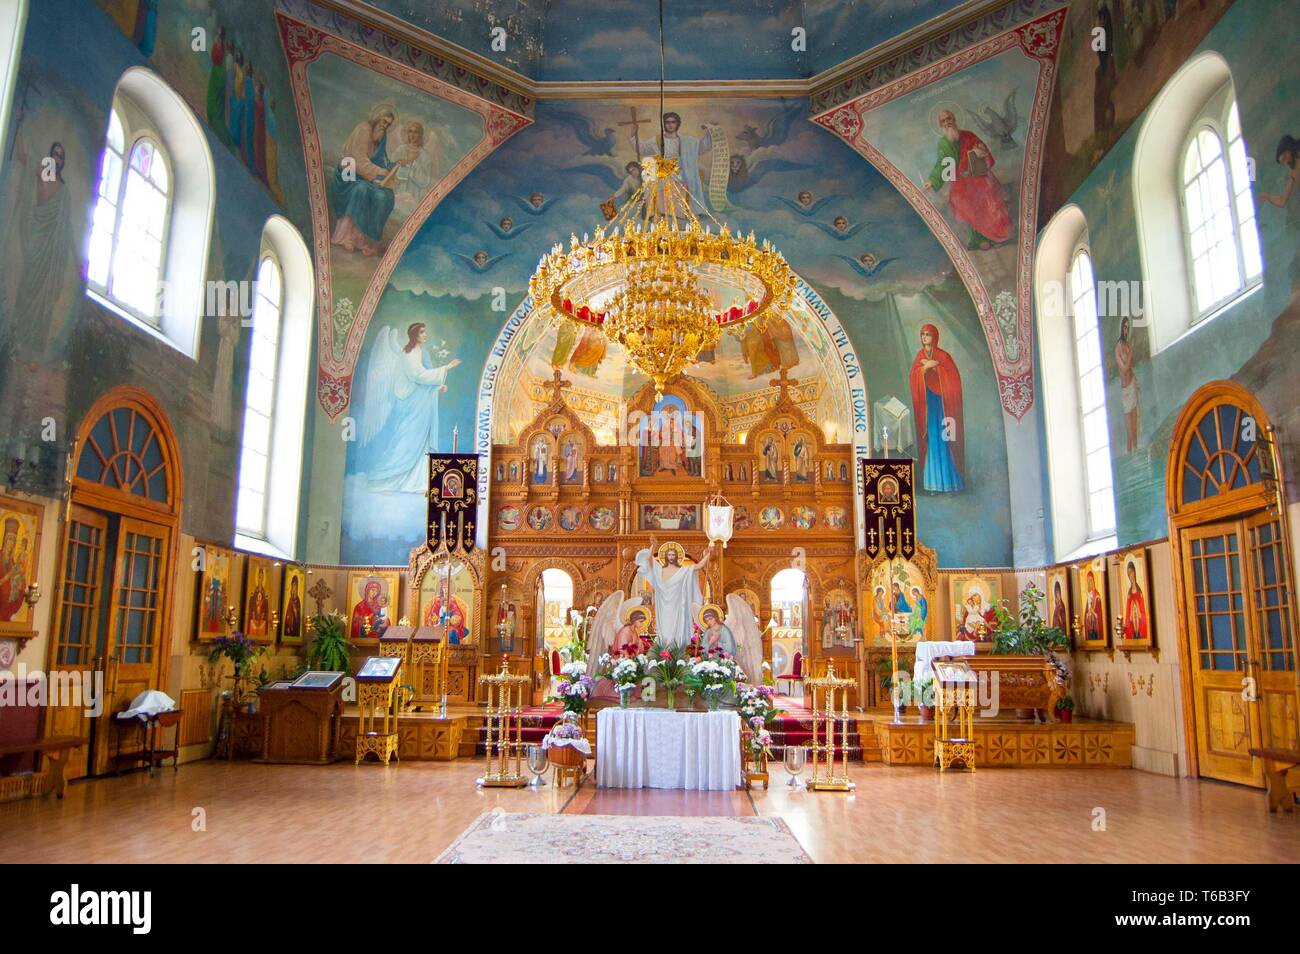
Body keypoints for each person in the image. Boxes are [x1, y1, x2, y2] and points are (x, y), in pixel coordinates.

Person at [359, 322, 460, 493]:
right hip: (412, 405)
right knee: (407, 440)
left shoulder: (419, 351)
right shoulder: (408, 353)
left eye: (425, 332)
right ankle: (385, 479)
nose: (425, 335)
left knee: (421, 441)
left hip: (420, 402)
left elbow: (418, 382)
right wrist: (446, 367)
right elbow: (417, 376)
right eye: (421, 332)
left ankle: (417, 481)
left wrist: (435, 388)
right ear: (414, 335)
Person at [924, 108, 1011, 250]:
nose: (947, 123)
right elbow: (942, 164)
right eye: (943, 121)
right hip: (960, 180)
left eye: (949, 119)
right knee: (960, 198)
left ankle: (995, 235)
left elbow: (984, 154)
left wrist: (982, 151)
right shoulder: (943, 143)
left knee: (987, 193)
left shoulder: (969, 136)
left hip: (978, 176)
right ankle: (979, 238)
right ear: (940, 125)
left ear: (954, 119)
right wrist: (932, 180)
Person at [331, 104, 408, 256]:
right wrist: (381, 172)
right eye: (383, 121)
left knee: (384, 196)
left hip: (366, 176)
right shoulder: (364, 129)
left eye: (388, 124)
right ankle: (346, 237)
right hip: (349, 172)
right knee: (361, 190)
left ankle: (365, 241)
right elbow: (358, 160)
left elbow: (381, 160)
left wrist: (394, 166)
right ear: (376, 117)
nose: (384, 126)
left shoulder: (380, 136)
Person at [909, 323, 964, 492]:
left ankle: (949, 483)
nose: (924, 337)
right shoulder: (919, 356)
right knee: (932, 440)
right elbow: (913, 376)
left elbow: (954, 379)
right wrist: (924, 368)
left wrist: (938, 368)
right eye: (922, 334)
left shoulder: (943, 356)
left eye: (928, 334)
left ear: (935, 337)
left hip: (943, 405)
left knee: (946, 438)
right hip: (928, 406)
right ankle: (932, 483)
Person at [634, 538, 712, 648]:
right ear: (666, 557)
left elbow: (699, 566)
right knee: (665, 631)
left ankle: (678, 652)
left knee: (678, 630)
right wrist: (654, 546)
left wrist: (709, 553)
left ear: (677, 557)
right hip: (663, 607)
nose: (671, 557)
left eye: (673, 555)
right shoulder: (659, 570)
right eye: (669, 555)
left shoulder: (683, 570)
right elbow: (649, 560)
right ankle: (665, 652)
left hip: (678, 606)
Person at [1114, 315, 1140, 453]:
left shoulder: (1128, 345)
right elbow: (1124, 368)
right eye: (1124, 328)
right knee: (1129, 433)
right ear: (1121, 329)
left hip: (1132, 385)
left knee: (1134, 429)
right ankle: (1131, 458)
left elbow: (1131, 367)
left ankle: (1136, 457)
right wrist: (1131, 351)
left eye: (1127, 328)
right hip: (1125, 391)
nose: (1126, 331)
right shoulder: (1118, 348)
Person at [1122, 561, 1149, 641]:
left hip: (1139, 622)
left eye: (1131, 572)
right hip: (1132, 624)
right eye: (1128, 574)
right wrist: (1130, 615)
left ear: (1135, 572)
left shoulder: (1140, 592)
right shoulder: (1129, 594)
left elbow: (1144, 611)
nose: (1130, 575)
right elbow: (1127, 614)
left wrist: (1138, 611)